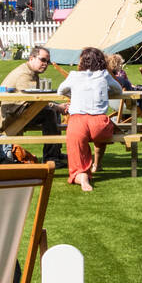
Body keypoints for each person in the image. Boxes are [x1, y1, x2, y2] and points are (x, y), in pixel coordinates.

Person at [57, 47, 123, 192]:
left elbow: (60, 91)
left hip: (77, 121)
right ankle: (97, 164)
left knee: (77, 145)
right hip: (99, 125)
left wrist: (73, 96)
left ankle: (81, 175)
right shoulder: (104, 74)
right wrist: (105, 92)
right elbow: (118, 90)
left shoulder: (74, 75)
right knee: (103, 127)